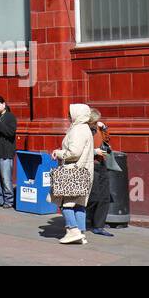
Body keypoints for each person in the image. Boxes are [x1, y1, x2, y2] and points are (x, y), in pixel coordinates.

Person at [51, 103, 96, 244]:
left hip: (73, 170)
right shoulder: (86, 128)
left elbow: (74, 152)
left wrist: (59, 153)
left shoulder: (77, 130)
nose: (69, 116)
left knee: (65, 202)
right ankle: (81, 233)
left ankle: (73, 230)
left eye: (71, 113)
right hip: (84, 171)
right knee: (79, 204)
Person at [86, 108, 115, 236]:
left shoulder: (98, 129)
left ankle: (99, 226)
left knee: (104, 196)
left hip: (101, 163)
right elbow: (81, 150)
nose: (97, 122)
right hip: (91, 165)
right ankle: (86, 218)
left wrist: (104, 128)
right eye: (96, 120)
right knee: (94, 196)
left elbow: (107, 140)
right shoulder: (84, 131)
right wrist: (95, 151)